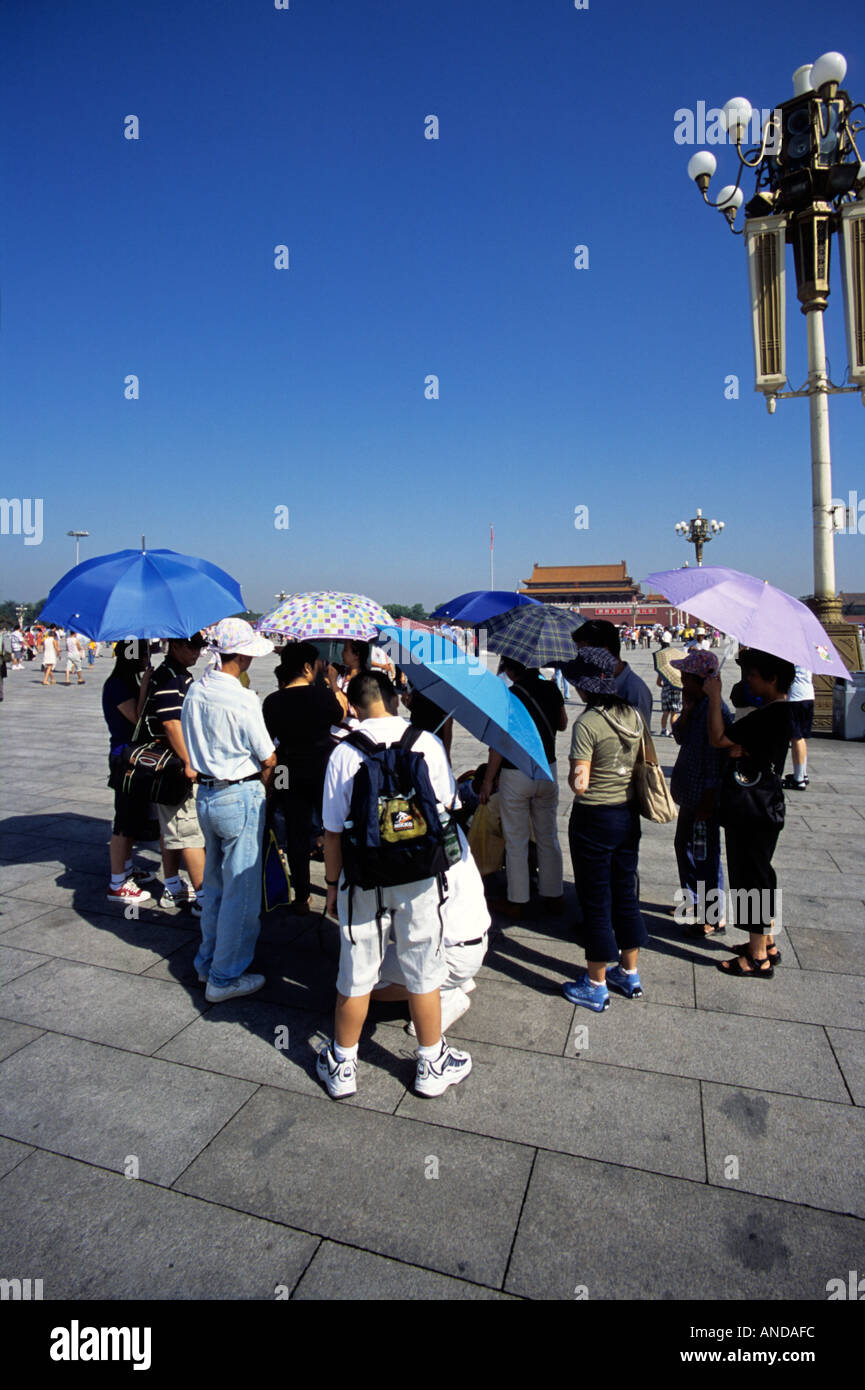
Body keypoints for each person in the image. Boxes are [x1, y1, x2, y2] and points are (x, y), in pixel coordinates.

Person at [318, 670, 472, 1099]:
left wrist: (332, 886)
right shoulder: (427, 743)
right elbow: (448, 809)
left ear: (353, 705)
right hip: (420, 876)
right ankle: (431, 1062)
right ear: (396, 698)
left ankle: (343, 1064)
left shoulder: (343, 753)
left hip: (363, 876)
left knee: (357, 969)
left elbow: (332, 831)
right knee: (425, 968)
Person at [182, 618, 277, 1002]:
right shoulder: (241, 698)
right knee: (242, 891)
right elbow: (267, 755)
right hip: (238, 794)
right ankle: (225, 976)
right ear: (240, 655)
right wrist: (266, 785)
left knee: (217, 888)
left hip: (206, 795)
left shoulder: (196, 689)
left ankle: (207, 963)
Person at [561, 647, 647, 1011]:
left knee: (596, 898)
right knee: (625, 892)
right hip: (627, 815)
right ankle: (629, 973)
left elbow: (580, 784)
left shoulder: (588, 723)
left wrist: (574, 772)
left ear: (584, 687)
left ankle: (595, 982)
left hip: (594, 818)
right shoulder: (633, 714)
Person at [706, 648, 794, 977]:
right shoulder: (783, 711)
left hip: (752, 807)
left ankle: (757, 956)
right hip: (765, 804)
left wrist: (715, 696)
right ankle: (766, 941)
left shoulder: (767, 715)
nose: (748, 681)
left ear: (772, 679)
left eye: (754, 675)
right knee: (761, 874)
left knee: (751, 879)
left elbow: (717, 738)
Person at [478, 656, 566, 919]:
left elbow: (499, 743)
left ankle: (517, 900)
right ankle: (554, 895)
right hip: (547, 768)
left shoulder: (511, 696)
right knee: (548, 835)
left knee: (516, 839)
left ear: (510, 670)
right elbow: (562, 724)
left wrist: (487, 780)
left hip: (516, 773)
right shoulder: (551, 687)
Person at [262, 642, 345, 914]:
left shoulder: (272, 701)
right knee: (332, 827)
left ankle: (302, 894)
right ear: (308, 667)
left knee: (296, 832)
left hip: (286, 769)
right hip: (322, 767)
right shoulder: (321, 696)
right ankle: (341, 884)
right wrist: (332, 684)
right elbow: (340, 715)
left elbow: (269, 739)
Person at [138, 633, 208, 913]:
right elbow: (170, 723)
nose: (197, 652)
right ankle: (204, 899)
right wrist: (189, 762)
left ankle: (172, 886)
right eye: (193, 647)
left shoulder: (172, 673)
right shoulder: (171, 677)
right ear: (175, 646)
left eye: (200, 647)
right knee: (189, 831)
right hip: (175, 765)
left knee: (172, 830)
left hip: (166, 764)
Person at [669, 650, 731, 936]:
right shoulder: (697, 706)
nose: (680, 679)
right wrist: (686, 711)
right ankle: (693, 899)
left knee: (706, 854)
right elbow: (680, 738)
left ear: (699, 679)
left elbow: (715, 758)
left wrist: (709, 797)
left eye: (685, 676)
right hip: (691, 794)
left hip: (704, 797)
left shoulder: (716, 710)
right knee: (684, 845)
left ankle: (712, 915)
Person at [102, 641, 159, 904]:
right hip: (124, 757)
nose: (146, 658)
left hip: (134, 755)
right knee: (124, 821)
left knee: (133, 816)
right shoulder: (117, 685)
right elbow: (136, 718)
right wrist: (146, 682)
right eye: (143, 653)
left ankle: (125, 869)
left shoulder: (127, 682)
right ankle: (117, 883)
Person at [566, 620, 653, 729]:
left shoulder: (634, 690)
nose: (581, 658)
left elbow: (641, 738)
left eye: (584, 652)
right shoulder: (598, 683)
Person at [783, 666, 814, 791]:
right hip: (808, 695)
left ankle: (799, 779)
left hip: (795, 697)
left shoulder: (792, 652)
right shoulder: (806, 653)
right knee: (800, 737)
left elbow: (787, 675)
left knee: (796, 738)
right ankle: (802, 772)